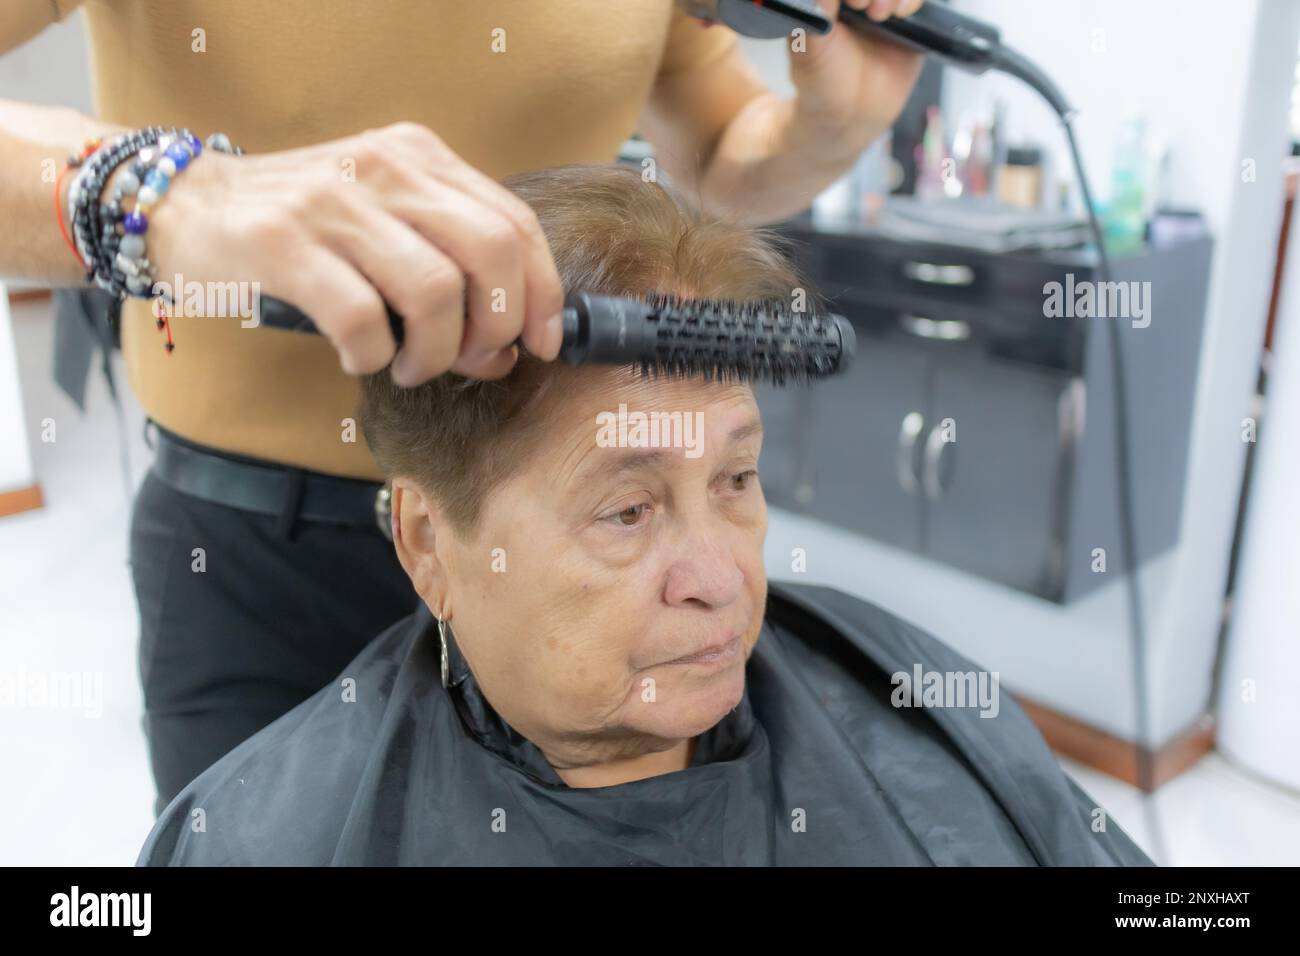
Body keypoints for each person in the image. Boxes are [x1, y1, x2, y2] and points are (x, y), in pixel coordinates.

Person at [0, 0, 927, 814]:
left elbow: (722, 159)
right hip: (255, 546)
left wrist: (835, 119)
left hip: (561, 552)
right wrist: (166, 200)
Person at [138, 164, 1153, 865]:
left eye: (735, 480)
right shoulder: (260, 831)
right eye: (627, 509)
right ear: (426, 543)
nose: (721, 578)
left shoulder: (918, 708)